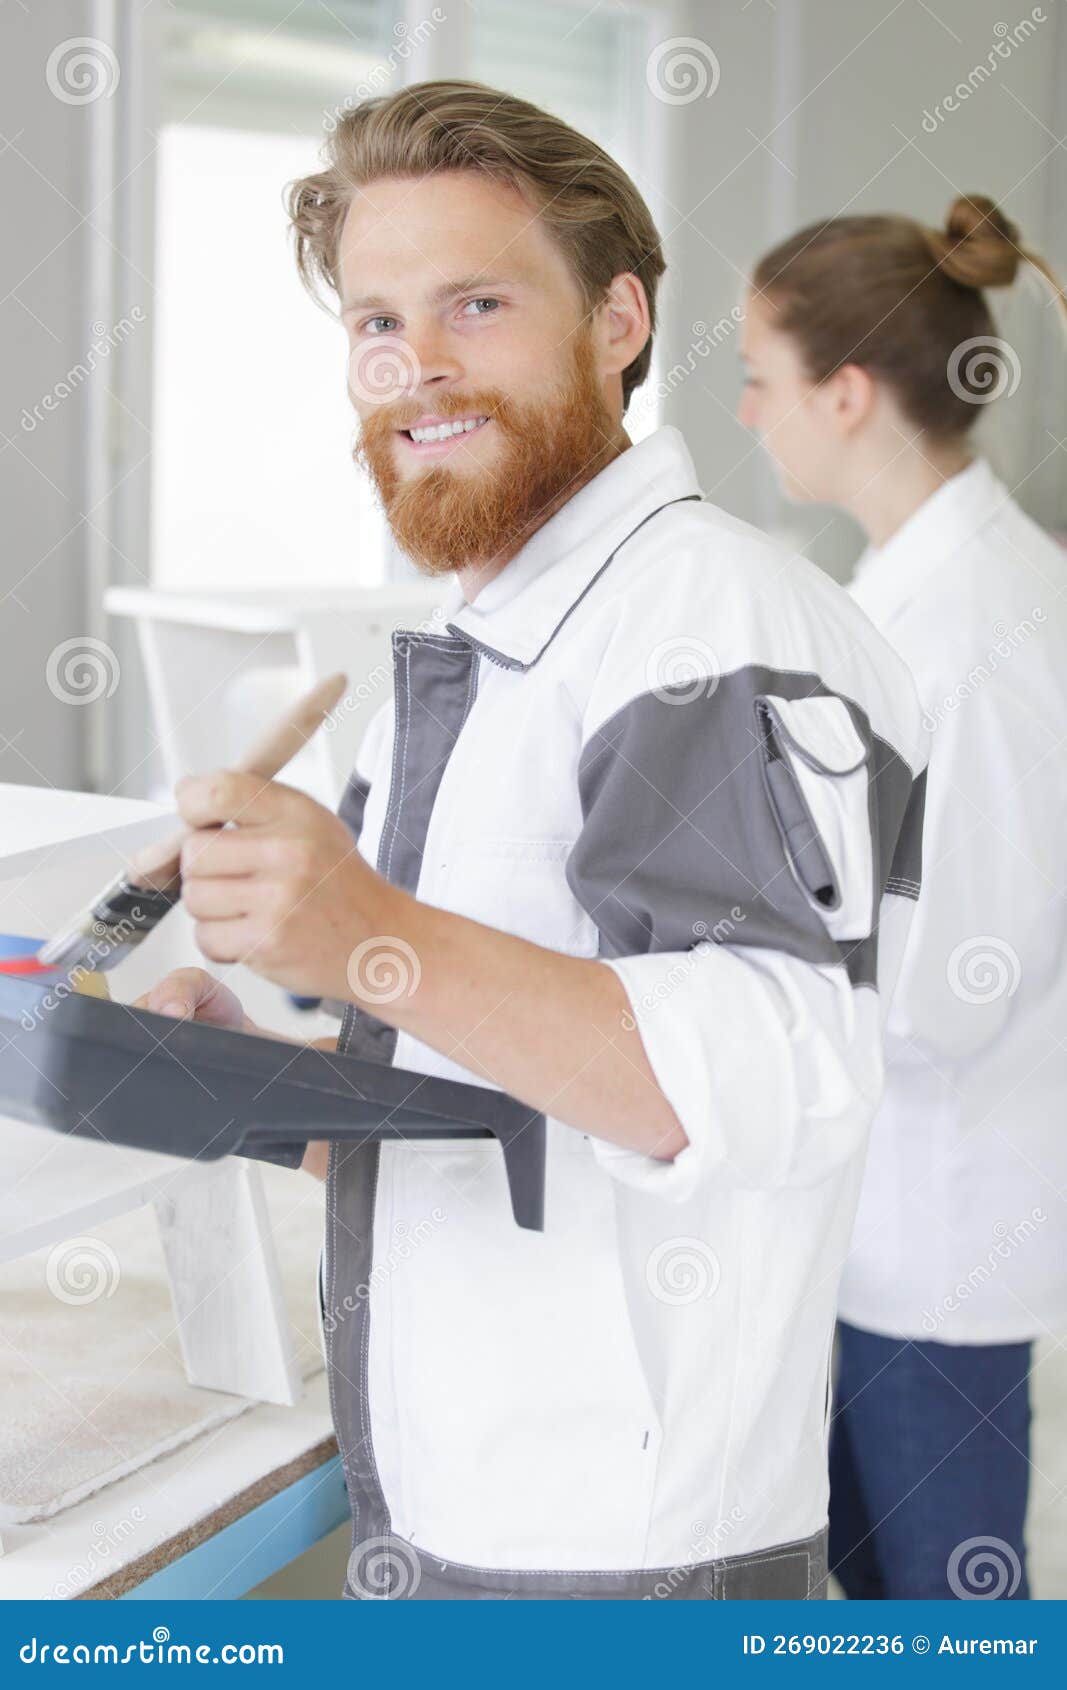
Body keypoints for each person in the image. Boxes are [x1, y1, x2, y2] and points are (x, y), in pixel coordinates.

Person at [134, 81, 926, 1601]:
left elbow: (777, 1073)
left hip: (627, 1572)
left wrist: (373, 927)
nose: (416, 365)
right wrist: (258, 1093)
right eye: (377, 321)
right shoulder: (489, 645)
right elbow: (503, 1101)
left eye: (477, 304)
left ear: (619, 320)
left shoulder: (710, 626)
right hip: (459, 1522)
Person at [740, 193, 1067, 1600]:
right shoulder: (918, 587)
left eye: (760, 376)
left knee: (948, 1625)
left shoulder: (974, 634)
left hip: (938, 1234)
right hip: (887, 1220)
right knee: (882, 1605)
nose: (747, 412)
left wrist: (758, 948)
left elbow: (953, 990)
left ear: (849, 392)